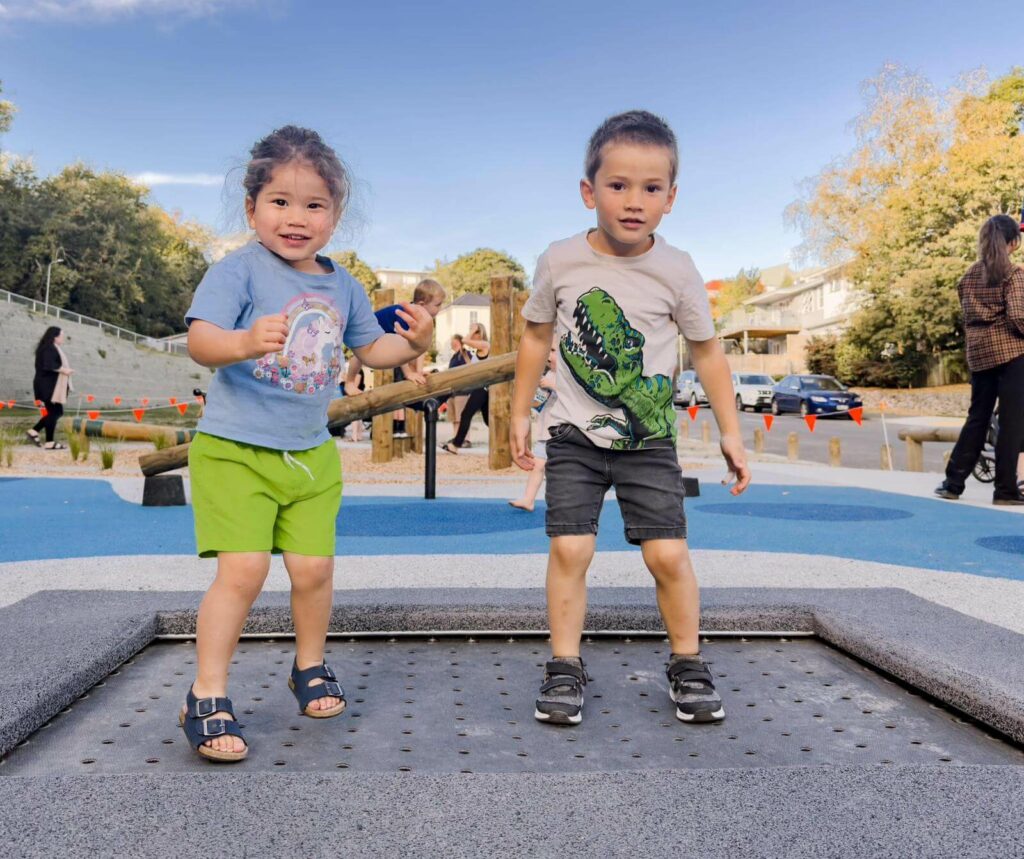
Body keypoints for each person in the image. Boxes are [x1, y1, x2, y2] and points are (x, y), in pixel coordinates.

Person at [181, 125, 433, 762]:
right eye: (281, 202)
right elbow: (202, 340)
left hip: (309, 454)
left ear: (336, 216)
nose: (297, 218)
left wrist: (419, 343)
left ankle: (310, 666)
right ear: (252, 209)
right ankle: (205, 695)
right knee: (243, 571)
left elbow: (373, 350)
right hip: (236, 449)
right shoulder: (238, 270)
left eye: (314, 205)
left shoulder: (342, 284)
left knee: (314, 570)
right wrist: (241, 341)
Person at [511, 110, 750, 726]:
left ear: (671, 198)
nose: (634, 201)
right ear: (590, 191)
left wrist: (730, 430)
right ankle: (565, 664)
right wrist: (520, 415)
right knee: (571, 547)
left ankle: (688, 661)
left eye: (650, 189)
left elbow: (708, 351)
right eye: (618, 186)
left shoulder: (677, 269)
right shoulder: (560, 260)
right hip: (571, 435)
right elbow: (536, 339)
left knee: (667, 555)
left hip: (650, 441)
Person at [936, 214, 1024, 505]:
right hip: (1012, 354)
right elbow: (1019, 317)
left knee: (978, 418)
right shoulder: (1014, 274)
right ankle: (1005, 491)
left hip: (979, 355)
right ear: (1012, 243)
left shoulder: (969, 275)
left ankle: (953, 482)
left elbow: (968, 316)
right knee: (1012, 423)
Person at [344, 278, 446, 435]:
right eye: (437, 305)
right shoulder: (408, 315)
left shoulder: (423, 320)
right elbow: (402, 346)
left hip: (385, 335)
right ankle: (349, 383)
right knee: (359, 355)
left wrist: (418, 371)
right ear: (421, 305)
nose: (440, 309)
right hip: (370, 329)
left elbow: (419, 348)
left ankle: (351, 382)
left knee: (362, 355)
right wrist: (409, 373)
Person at [509, 345, 558, 511]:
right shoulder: (549, 374)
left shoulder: (568, 377)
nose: (549, 356)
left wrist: (553, 385)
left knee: (561, 472)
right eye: (549, 350)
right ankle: (528, 499)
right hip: (545, 432)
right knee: (538, 465)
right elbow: (537, 403)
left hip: (563, 434)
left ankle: (562, 503)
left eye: (554, 351)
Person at [441, 321, 490, 453]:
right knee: (488, 420)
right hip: (480, 387)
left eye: (473, 331)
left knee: (466, 414)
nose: (470, 334)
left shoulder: (485, 345)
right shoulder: (479, 349)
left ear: (479, 333)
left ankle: (455, 445)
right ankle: (511, 437)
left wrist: (472, 330)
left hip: (483, 388)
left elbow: (464, 340)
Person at [27, 326, 73, 450]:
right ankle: (40, 435)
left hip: (48, 384)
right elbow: (49, 365)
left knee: (54, 412)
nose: (63, 338)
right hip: (48, 385)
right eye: (61, 336)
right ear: (54, 336)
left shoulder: (49, 347)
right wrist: (65, 370)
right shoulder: (49, 348)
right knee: (56, 412)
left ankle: (44, 438)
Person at [446, 334, 472, 426]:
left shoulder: (465, 353)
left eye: (452, 340)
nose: (450, 343)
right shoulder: (454, 356)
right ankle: (456, 437)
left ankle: (465, 439)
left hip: (462, 391)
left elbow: (470, 366)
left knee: (461, 416)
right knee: (454, 418)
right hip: (452, 391)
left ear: (457, 341)